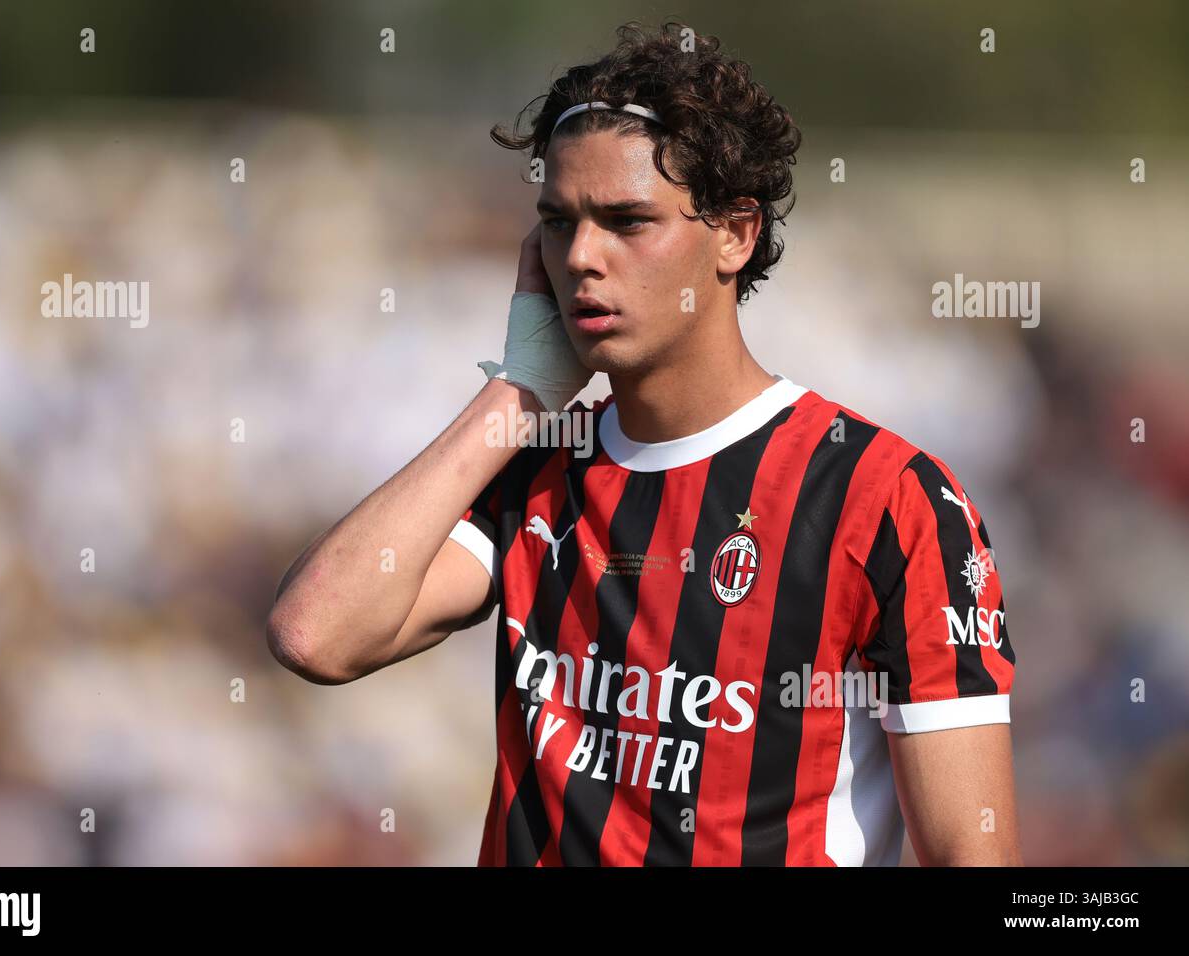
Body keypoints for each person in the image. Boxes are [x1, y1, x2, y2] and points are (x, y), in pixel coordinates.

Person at [268, 21, 1020, 866]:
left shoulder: (884, 496)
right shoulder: (534, 464)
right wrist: (518, 390)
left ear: (734, 235)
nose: (582, 257)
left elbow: (973, 854)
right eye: (559, 223)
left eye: (627, 221)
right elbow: (314, 635)